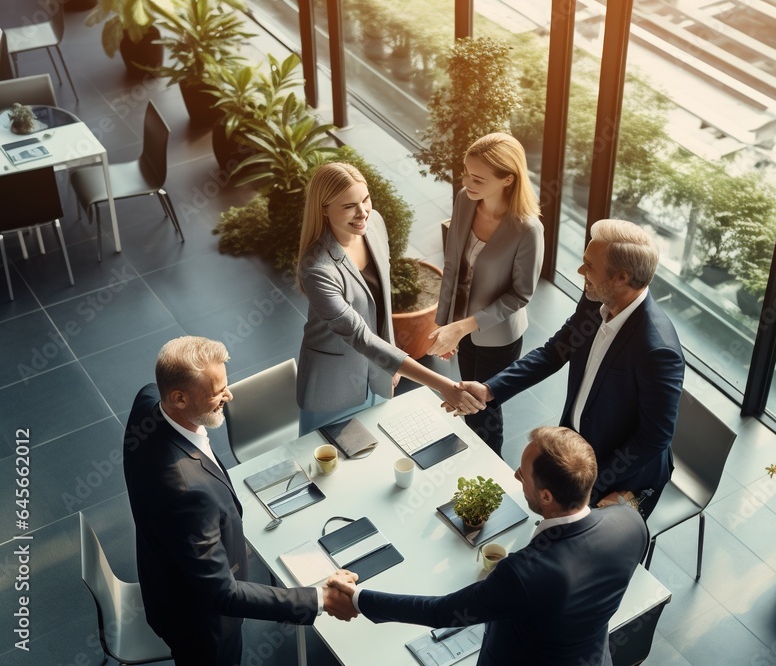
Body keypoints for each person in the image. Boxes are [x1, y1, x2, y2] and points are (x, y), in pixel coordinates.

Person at [324, 426, 648, 666]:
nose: (517, 474)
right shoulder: (631, 525)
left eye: (524, 473)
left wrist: (358, 598)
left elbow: (441, 612)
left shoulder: (522, 574)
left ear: (547, 496)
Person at [122, 336, 346, 665]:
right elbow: (223, 594)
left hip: (164, 574)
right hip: (201, 629)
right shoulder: (187, 493)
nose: (229, 395)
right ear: (179, 398)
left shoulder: (148, 401)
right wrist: (320, 599)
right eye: (217, 392)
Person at [457, 219, 685, 517]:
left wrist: (588, 483)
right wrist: (490, 389)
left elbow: (654, 437)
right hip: (576, 447)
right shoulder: (596, 299)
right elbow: (555, 352)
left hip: (619, 477)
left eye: (589, 265)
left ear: (621, 277)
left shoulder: (658, 350)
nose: (580, 272)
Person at [296, 163, 483, 435]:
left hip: (379, 374)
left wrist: (391, 363)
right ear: (323, 208)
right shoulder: (317, 268)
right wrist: (443, 385)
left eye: (365, 199)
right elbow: (360, 336)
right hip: (332, 388)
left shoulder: (374, 225)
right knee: (328, 467)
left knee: (376, 453)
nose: (363, 213)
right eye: (349, 206)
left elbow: (381, 305)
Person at [426, 133, 544, 454]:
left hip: (499, 335)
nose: (467, 181)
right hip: (462, 325)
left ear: (508, 179)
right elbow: (452, 265)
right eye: (465, 172)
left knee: (484, 408)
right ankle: (472, 455)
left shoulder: (527, 229)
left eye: (477, 177)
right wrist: (446, 325)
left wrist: (462, 326)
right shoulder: (465, 199)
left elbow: (520, 295)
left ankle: (489, 466)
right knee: (465, 398)